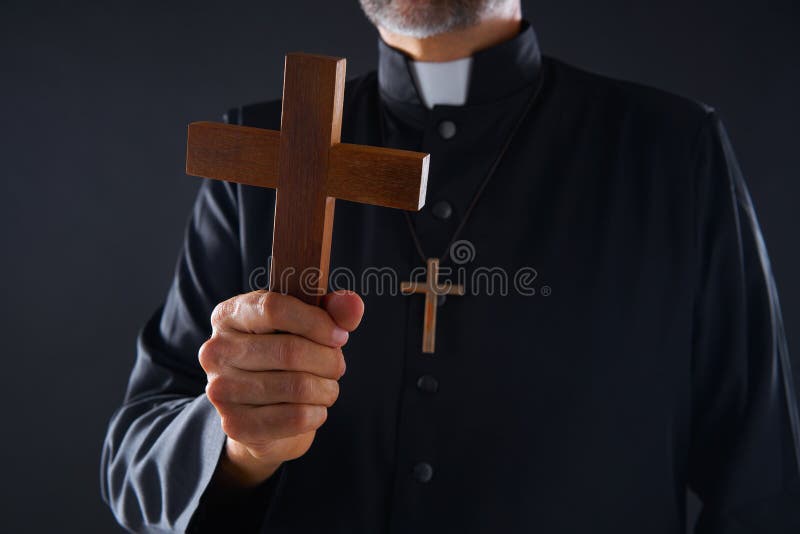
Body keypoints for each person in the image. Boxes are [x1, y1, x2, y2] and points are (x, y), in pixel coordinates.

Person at [101, 0, 800, 532]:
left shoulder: (674, 152)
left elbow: (763, 485)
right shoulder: (268, 154)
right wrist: (238, 444)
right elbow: (133, 463)